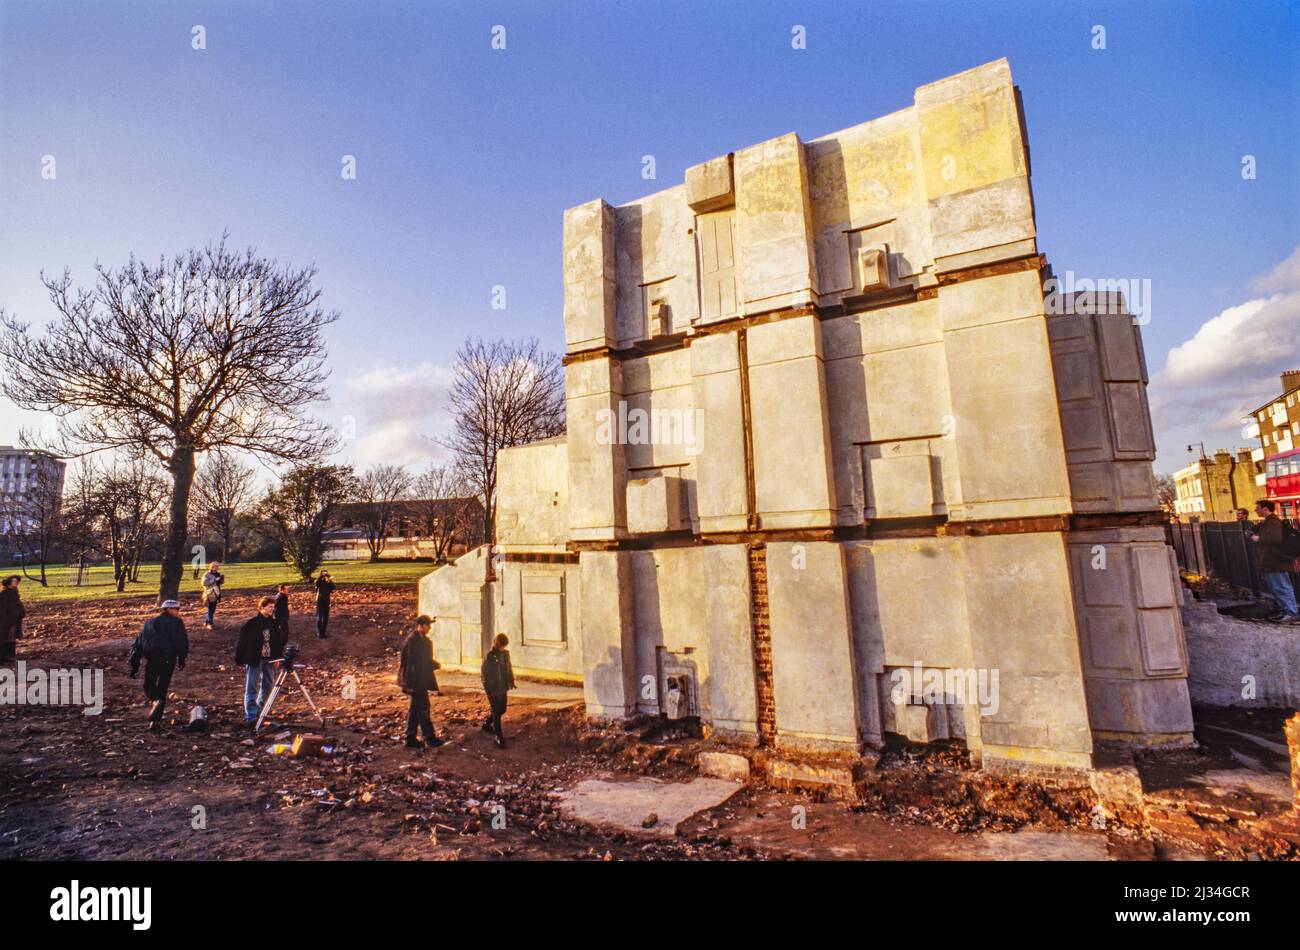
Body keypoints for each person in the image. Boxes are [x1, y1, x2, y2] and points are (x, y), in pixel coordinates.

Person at [128, 599, 189, 731]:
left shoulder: (149, 623)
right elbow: (182, 642)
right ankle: (157, 715)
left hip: (153, 659)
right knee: (163, 686)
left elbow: (138, 644)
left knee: (148, 685)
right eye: (176, 609)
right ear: (168, 609)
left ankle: (156, 706)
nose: (178, 611)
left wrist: (135, 666)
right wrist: (181, 659)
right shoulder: (177, 623)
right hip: (169, 659)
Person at [235, 596, 286, 725]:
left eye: (273, 607)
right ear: (262, 607)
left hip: (269, 659)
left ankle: (258, 710)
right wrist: (240, 659)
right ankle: (251, 716)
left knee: (268, 686)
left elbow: (278, 642)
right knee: (251, 686)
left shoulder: (274, 623)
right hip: (255, 660)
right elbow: (242, 642)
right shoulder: (252, 624)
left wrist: (277, 658)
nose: (272, 610)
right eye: (269, 607)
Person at [398, 614, 444, 749]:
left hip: (421, 680)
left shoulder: (423, 641)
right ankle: (430, 738)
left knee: (415, 710)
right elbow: (407, 664)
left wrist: (434, 664)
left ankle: (410, 738)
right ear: (421, 626)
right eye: (428, 625)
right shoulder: (412, 642)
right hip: (415, 681)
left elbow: (424, 660)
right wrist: (408, 684)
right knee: (423, 709)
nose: (430, 628)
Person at [1251, 500, 1300, 623]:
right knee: (1276, 588)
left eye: (1258, 508)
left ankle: (1291, 613)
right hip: (1272, 562)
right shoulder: (1269, 521)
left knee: (1282, 587)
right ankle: (1285, 611)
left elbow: (1275, 538)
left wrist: (1258, 538)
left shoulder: (1272, 522)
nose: (1255, 510)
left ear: (1265, 509)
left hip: (1277, 562)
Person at [480, 633, 516, 749]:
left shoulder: (505, 654)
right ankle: (498, 736)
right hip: (493, 688)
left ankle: (486, 724)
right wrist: (489, 690)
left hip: (503, 687)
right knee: (496, 711)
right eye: (502, 645)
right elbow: (484, 675)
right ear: (497, 644)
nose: (503, 648)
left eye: (504, 646)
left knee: (502, 709)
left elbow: (508, 668)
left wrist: (511, 681)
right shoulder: (490, 656)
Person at [0, 575, 25, 664]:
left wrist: (21, 613)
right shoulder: (4, 592)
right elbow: (2, 608)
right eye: (15, 581)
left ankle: (10, 657)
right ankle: (2, 658)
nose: (17, 583)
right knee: (4, 638)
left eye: (18, 581)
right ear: (10, 581)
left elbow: (17, 604)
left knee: (11, 638)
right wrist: (4, 620)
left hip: (14, 620)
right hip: (5, 621)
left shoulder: (14, 591)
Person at [201, 562, 225, 629]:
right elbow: (204, 583)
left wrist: (221, 580)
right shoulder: (207, 574)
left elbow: (219, 583)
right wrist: (214, 579)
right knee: (210, 609)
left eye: (217, 566)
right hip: (209, 593)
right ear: (212, 567)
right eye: (216, 566)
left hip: (216, 593)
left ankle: (206, 621)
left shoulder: (218, 574)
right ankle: (209, 624)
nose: (217, 568)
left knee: (212, 609)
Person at [314, 571, 336, 639]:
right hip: (320, 600)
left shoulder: (328, 581)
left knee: (326, 617)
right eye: (323, 573)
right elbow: (317, 584)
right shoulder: (318, 581)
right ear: (320, 575)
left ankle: (323, 631)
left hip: (326, 600)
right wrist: (321, 577)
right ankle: (319, 632)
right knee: (319, 617)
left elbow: (334, 587)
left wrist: (329, 580)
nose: (325, 575)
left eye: (326, 573)